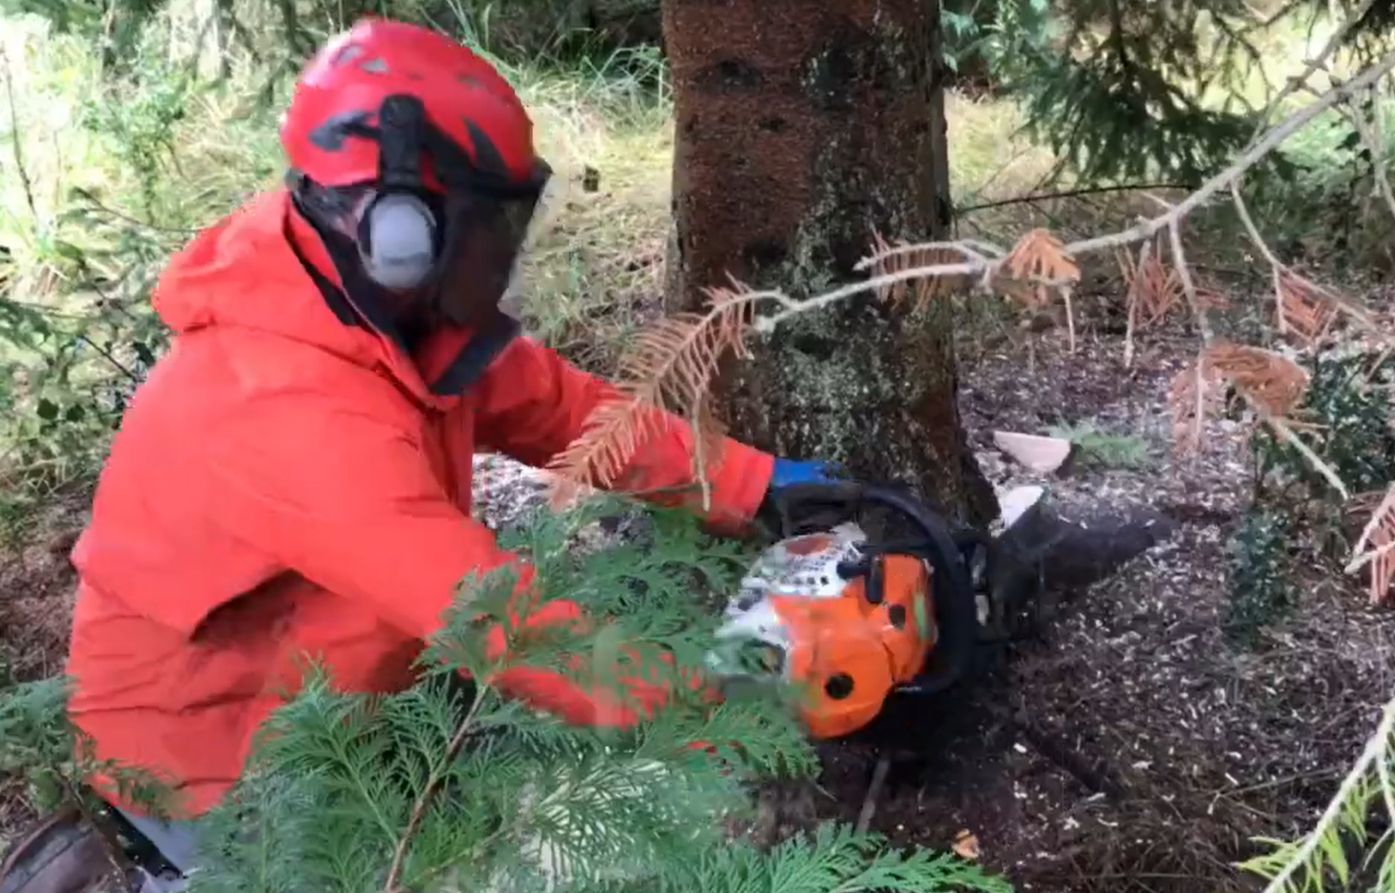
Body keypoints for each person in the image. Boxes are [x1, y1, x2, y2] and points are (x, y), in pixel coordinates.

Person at [50, 17, 833, 873]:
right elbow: (495, 618)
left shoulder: (368, 305)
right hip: (207, 756)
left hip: (327, 686)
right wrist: (715, 689)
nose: (500, 250)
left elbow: (562, 409)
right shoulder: (277, 402)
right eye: (485, 223)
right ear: (399, 231)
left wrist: (755, 484)